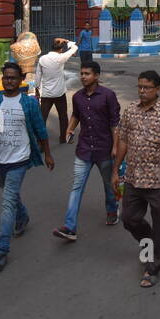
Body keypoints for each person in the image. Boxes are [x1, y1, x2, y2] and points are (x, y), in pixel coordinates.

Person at [0, 62, 54, 273]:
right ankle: (23, 216)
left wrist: (47, 153)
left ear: (20, 80)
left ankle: (0, 250)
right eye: (5, 77)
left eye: (12, 78)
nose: (8, 81)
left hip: (19, 160)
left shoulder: (28, 104)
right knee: (10, 195)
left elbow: (40, 130)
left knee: (7, 201)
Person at [115, 70, 160, 288]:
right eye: (140, 87)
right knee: (129, 218)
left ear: (157, 89)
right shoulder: (130, 110)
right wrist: (115, 170)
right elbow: (123, 141)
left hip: (159, 181)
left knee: (159, 225)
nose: (142, 91)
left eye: (147, 87)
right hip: (134, 178)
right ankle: (149, 243)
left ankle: (151, 268)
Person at [54, 61, 121, 240]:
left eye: (87, 74)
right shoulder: (77, 97)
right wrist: (70, 128)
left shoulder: (108, 96)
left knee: (108, 186)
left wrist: (115, 146)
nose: (83, 76)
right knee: (76, 187)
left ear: (97, 76)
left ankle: (112, 210)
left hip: (104, 149)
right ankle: (70, 227)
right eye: (81, 73)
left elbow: (115, 123)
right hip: (83, 150)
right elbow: (76, 115)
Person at [35, 37, 79, 140]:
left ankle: (40, 140)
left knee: (42, 118)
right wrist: (67, 41)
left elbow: (38, 75)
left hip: (46, 94)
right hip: (59, 93)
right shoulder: (61, 57)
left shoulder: (42, 59)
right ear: (61, 50)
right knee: (63, 116)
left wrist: (37, 89)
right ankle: (63, 137)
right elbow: (75, 48)